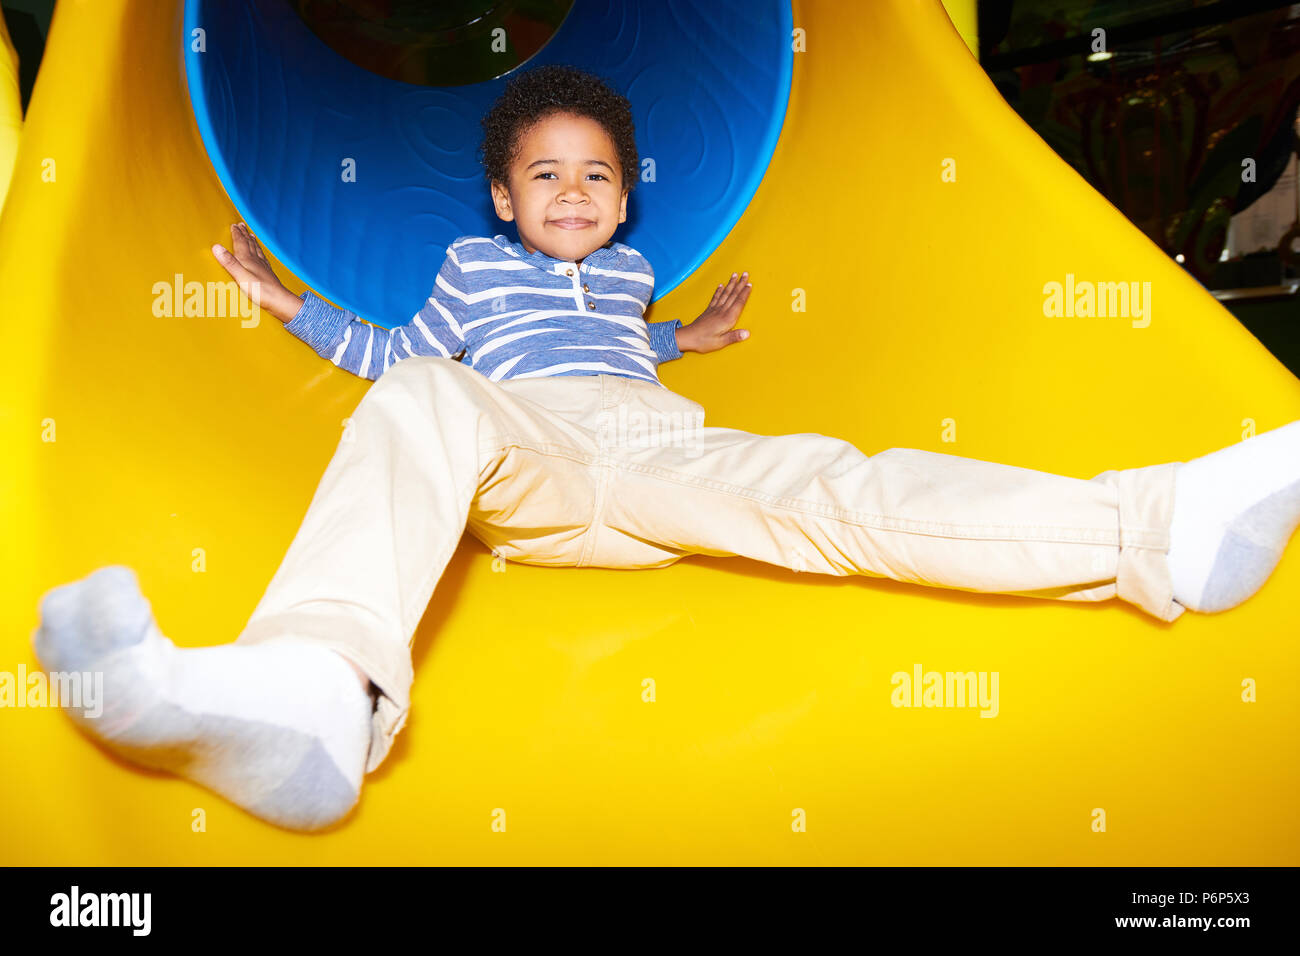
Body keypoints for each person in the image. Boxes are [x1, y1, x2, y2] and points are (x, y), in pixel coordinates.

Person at [32, 65, 1300, 832]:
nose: (572, 191)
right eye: (543, 174)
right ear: (501, 199)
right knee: (425, 389)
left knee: (827, 484)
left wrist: (696, 332)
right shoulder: (472, 270)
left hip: (655, 458)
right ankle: (319, 688)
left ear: (625, 197)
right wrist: (288, 303)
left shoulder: (632, 274)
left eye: (596, 173)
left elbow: (637, 341)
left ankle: (1156, 532)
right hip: (519, 454)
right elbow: (392, 352)